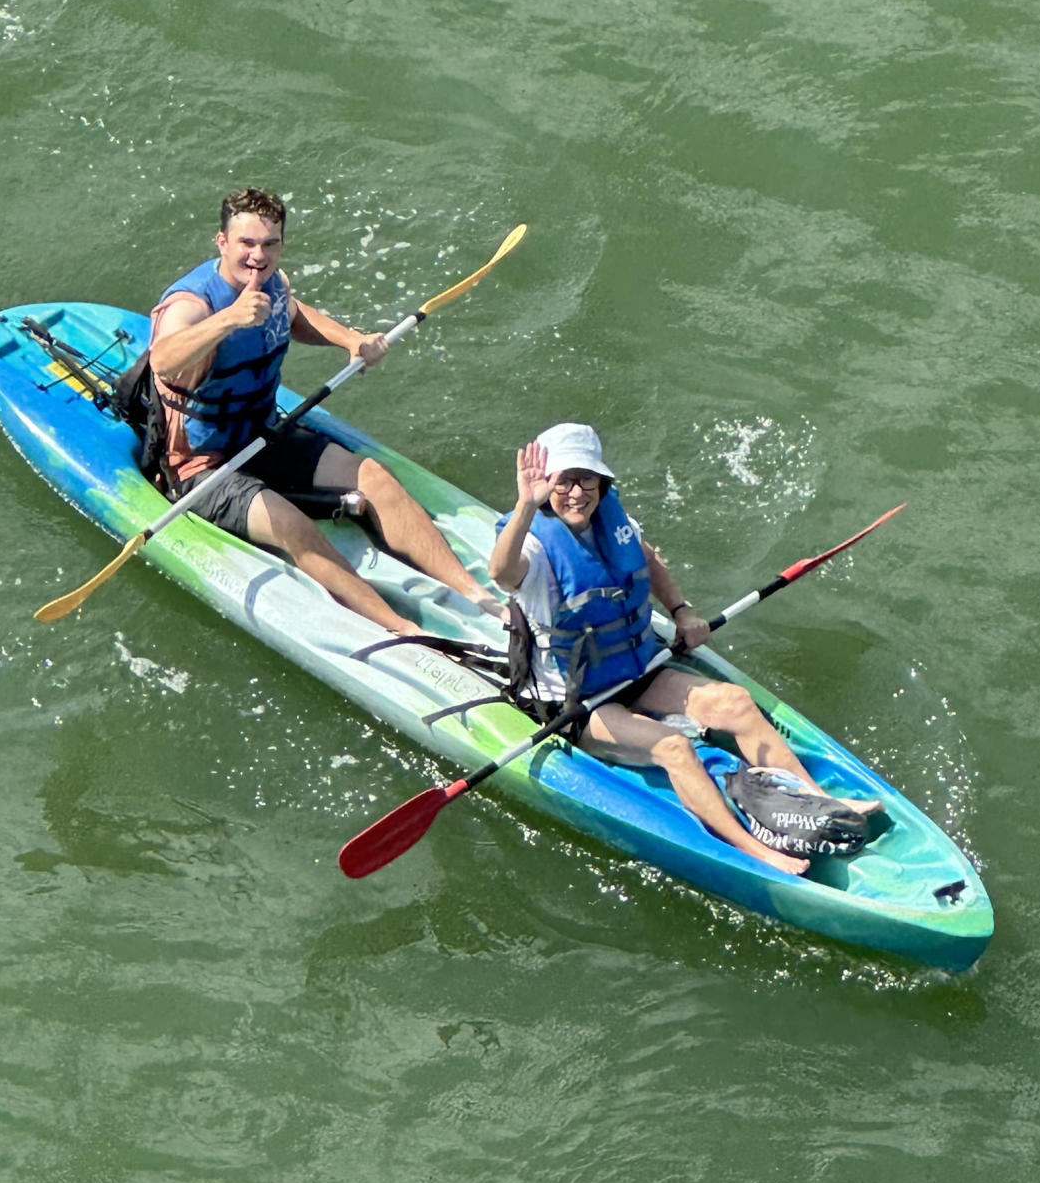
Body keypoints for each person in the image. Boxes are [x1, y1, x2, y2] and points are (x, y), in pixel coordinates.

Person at [489, 423, 881, 876]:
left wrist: (681, 611)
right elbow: (502, 572)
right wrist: (524, 505)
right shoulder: (534, 545)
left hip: (637, 671)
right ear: (545, 485)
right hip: (576, 702)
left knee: (734, 702)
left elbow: (649, 562)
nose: (576, 494)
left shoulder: (614, 524)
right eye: (563, 482)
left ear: (602, 483)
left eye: (587, 480)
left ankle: (819, 800)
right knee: (674, 747)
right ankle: (752, 851)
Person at [148, 187, 501, 636]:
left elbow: (294, 317)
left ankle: (475, 594)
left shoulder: (273, 285)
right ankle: (401, 629)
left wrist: (350, 340)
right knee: (293, 526)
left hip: (262, 435)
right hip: (203, 465)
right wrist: (231, 319)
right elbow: (163, 357)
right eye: (246, 244)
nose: (259, 256)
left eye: (270, 244)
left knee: (372, 476)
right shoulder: (191, 303)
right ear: (222, 242)